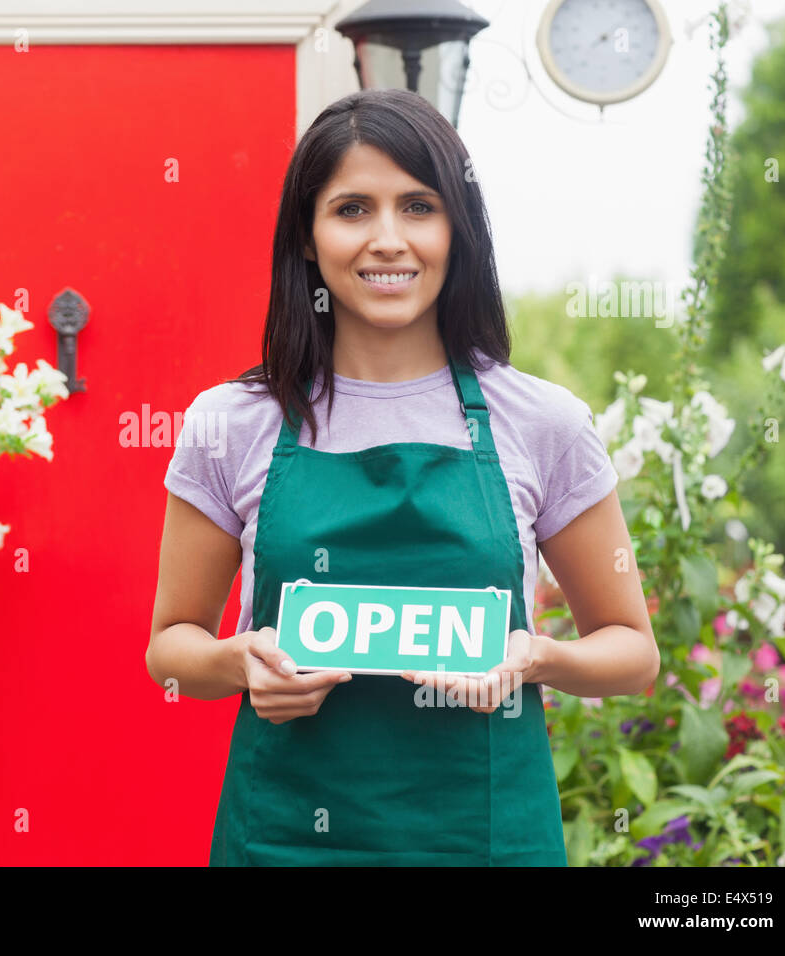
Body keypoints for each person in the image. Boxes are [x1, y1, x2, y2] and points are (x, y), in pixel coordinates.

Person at [146, 88, 659, 866]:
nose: (388, 240)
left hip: (486, 841)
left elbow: (632, 652)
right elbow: (169, 643)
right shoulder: (231, 422)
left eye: (418, 206)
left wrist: (534, 657)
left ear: (458, 230)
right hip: (285, 840)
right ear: (308, 240)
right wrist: (233, 662)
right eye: (352, 209)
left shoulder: (544, 421)